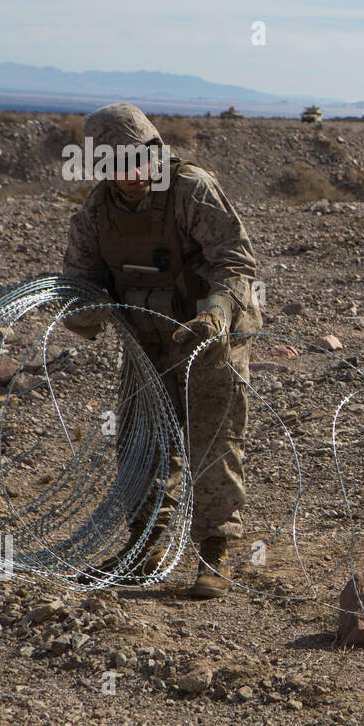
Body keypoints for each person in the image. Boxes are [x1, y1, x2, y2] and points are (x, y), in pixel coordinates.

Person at [61, 103, 261, 599]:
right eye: (113, 165)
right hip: (146, 346)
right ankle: (143, 548)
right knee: (141, 445)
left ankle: (216, 553)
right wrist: (81, 311)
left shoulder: (192, 190)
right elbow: (81, 283)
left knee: (213, 443)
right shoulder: (95, 213)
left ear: (153, 150)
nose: (129, 175)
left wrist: (214, 315)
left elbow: (235, 262)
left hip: (208, 340)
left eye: (135, 160)